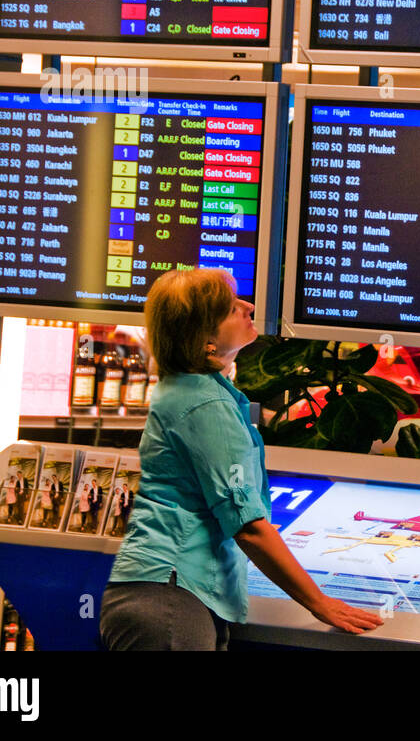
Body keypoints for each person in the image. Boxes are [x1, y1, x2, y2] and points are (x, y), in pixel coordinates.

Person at [100, 268, 382, 650]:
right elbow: (248, 526)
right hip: (171, 598)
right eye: (232, 308)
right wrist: (320, 603)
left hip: (167, 592)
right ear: (205, 339)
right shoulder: (206, 405)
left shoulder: (197, 390)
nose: (248, 306)